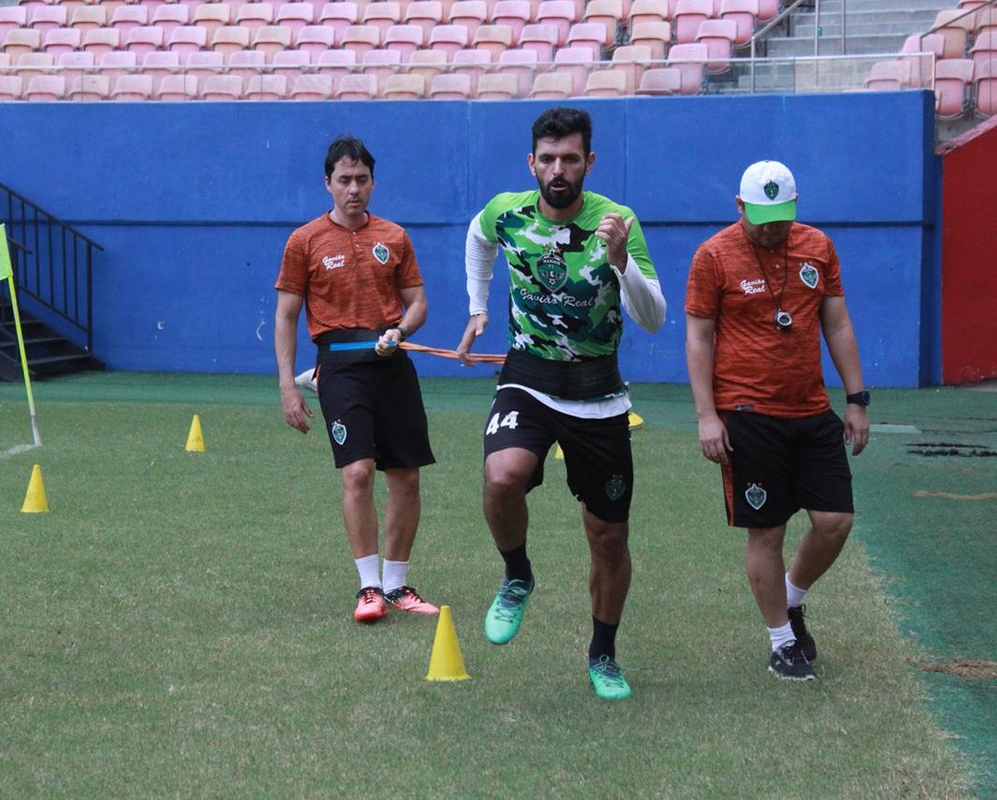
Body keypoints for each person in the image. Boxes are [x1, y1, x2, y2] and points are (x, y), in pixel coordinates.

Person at [455, 108, 667, 700]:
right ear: (532, 163)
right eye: (547, 159)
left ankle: (603, 653)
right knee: (503, 477)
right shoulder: (508, 212)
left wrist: (622, 262)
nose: (558, 170)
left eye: (570, 159)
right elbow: (478, 237)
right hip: (527, 374)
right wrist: (479, 306)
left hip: (597, 390)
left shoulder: (617, 223)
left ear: (588, 163)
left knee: (608, 538)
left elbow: (653, 319)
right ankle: (518, 575)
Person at [684, 160, 870, 682]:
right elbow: (698, 337)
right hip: (746, 415)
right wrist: (706, 416)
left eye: (782, 217)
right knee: (766, 531)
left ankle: (789, 600)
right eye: (761, 217)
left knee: (835, 522)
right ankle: (782, 644)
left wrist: (856, 399)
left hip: (811, 410)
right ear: (739, 207)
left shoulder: (817, 246)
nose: (772, 229)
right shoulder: (713, 256)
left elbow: (837, 323)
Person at [274, 135, 438, 624]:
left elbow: (419, 304)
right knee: (359, 472)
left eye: (362, 179)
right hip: (340, 368)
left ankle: (397, 585)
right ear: (327, 183)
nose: (353, 189)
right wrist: (287, 384)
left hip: (392, 364)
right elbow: (285, 316)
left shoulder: (395, 236)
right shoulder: (304, 241)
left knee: (405, 476)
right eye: (344, 180)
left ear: (372, 182)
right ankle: (369, 588)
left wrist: (400, 330)